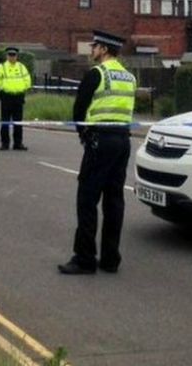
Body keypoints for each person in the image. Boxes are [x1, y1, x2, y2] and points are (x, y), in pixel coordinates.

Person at [59, 30, 136, 275]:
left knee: (87, 199)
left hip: (99, 140)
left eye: (94, 47)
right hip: (122, 140)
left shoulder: (97, 74)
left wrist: (84, 136)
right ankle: (110, 259)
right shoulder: (129, 76)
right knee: (114, 201)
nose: (91, 50)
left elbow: (79, 110)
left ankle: (85, 259)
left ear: (103, 49)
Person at [0, 46, 32, 151]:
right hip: (6, 97)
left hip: (18, 97)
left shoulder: (21, 67)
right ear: (7, 56)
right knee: (5, 121)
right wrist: (2, 88)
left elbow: (27, 79)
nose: (12, 57)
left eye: (13, 55)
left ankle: (18, 143)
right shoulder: (2, 67)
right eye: (10, 55)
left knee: (18, 122)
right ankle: (5, 143)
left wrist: (23, 88)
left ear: (17, 56)